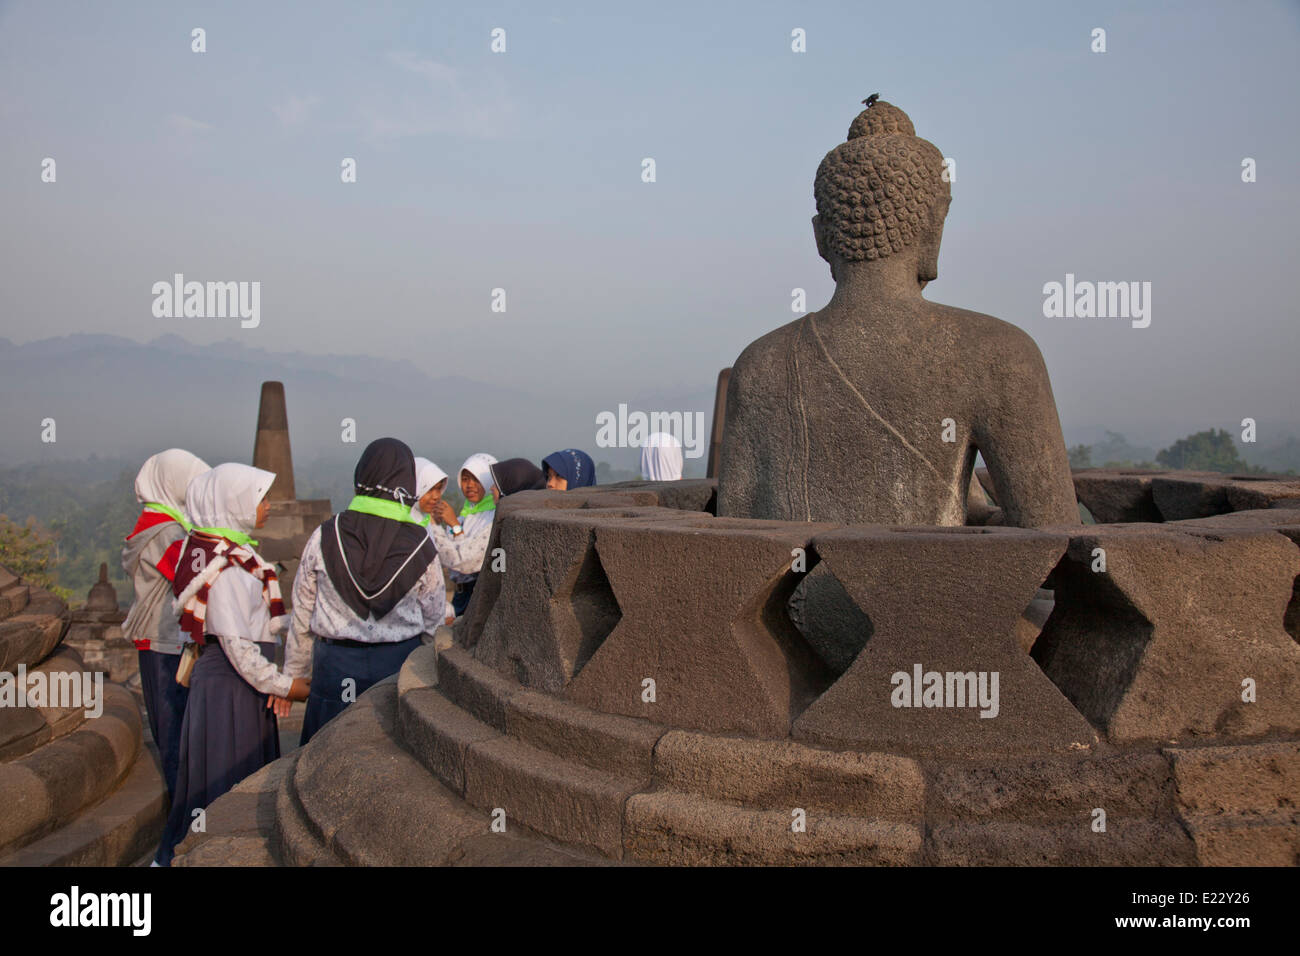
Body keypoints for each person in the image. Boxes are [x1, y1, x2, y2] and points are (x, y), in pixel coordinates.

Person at [154, 463, 308, 866]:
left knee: (234, 776)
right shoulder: (220, 567)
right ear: (231, 504)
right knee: (225, 779)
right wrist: (285, 686)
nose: (268, 506)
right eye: (259, 498)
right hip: (230, 684)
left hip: (239, 682)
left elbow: (261, 625)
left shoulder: (233, 554)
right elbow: (238, 646)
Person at [292, 438, 448, 745]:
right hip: (398, 667)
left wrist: (295, 672)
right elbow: (434, 618)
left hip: (335, 668)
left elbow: (301, 609)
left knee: (326, 757)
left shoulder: (326, 534)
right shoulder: (420, 543)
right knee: (392, 758)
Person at [120, 448, 209, 800]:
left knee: (177, 731)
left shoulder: (166, 525)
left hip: (164, 641)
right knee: (175, 735)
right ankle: (181, 822)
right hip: (164, 643)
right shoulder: (165, 532)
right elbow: (189, 578)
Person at [428, 453, 497, 617]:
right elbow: (447, 554)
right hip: (460, 594)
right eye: (465, 479)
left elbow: (464, 561)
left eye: (476, 479)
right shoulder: (466, 514)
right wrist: (438, 524)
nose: (470, 485)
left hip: (477, 593)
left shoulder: (493, 516)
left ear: (489, 481)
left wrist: (455, 526)